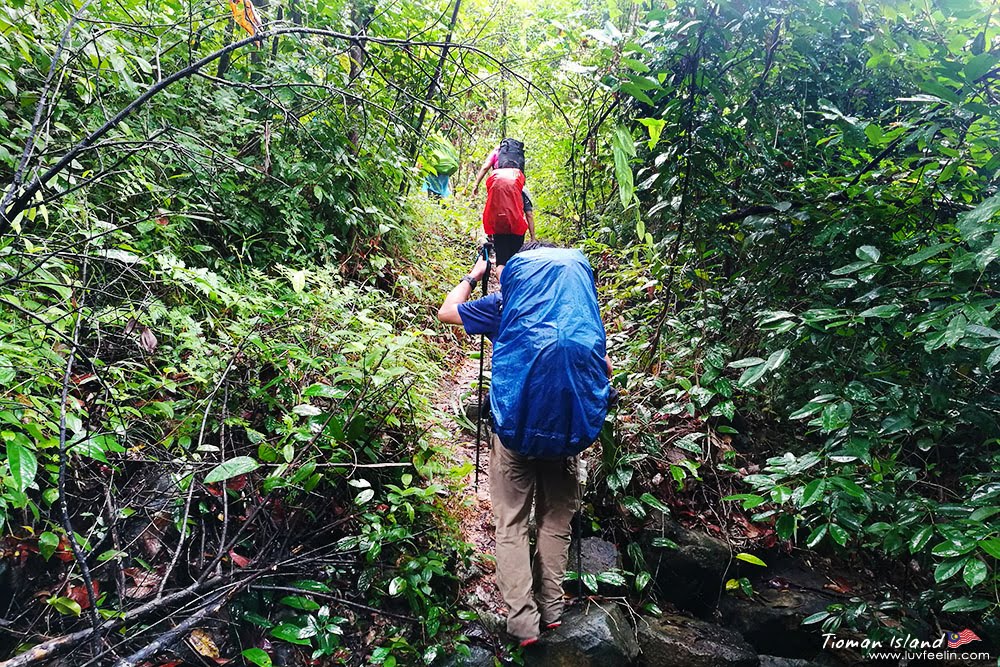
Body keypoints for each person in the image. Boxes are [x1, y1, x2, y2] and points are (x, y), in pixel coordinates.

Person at [437, 242, 613, 647]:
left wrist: (473, 276)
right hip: (565, 437)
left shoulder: (504, 307)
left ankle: (522, 623)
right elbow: (601, 368)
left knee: (511, 523)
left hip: (515, 433)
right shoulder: (578, 312)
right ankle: (553, 609)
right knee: (554, 521)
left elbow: (447, 311)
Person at [482, 167, 536, 271]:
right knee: (515, 260)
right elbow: (529, 215)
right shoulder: (522, 191)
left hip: (499, 227)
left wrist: (489, 232)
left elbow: (490, 209)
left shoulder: (496, 189)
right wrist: (533, 237)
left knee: (501, 263)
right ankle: (514, 284)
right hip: (517, 228)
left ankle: (503, 285)